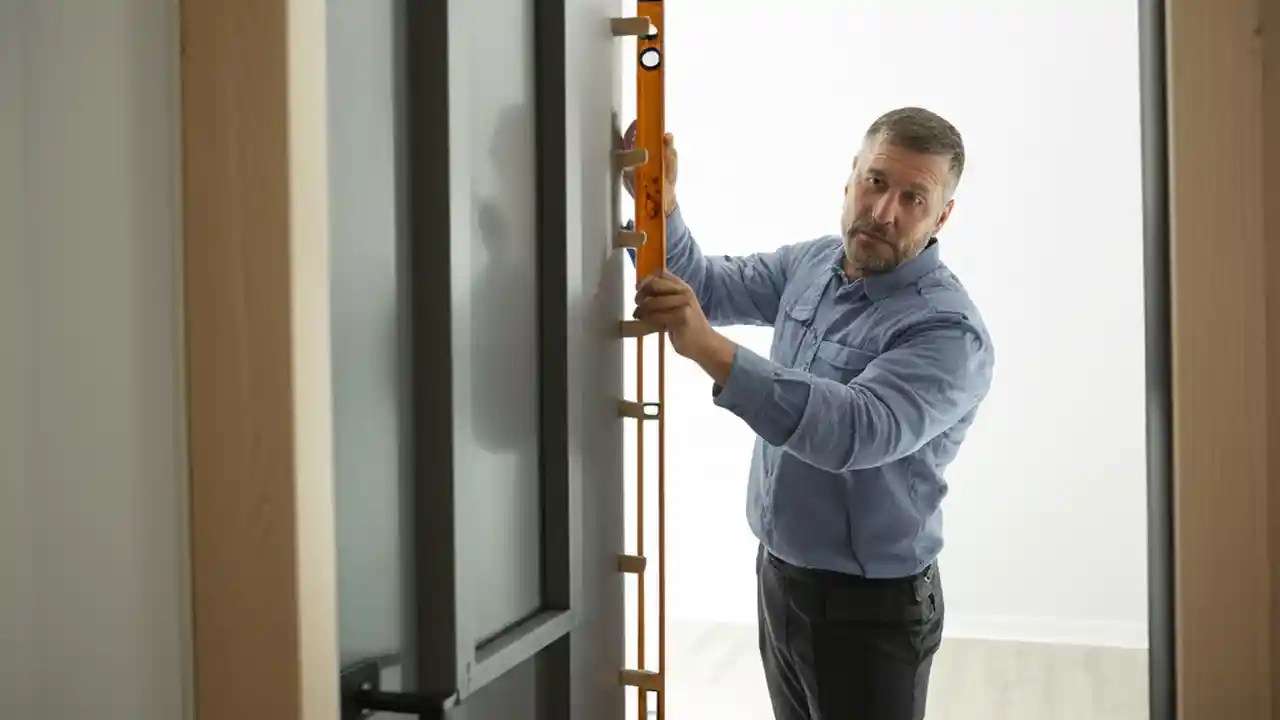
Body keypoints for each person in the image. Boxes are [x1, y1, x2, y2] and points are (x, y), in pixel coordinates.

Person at [630, 106, 995, 720]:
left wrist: (709, 349)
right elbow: (704, 289)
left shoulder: (948, 331)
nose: (884, 211)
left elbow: (854, 430)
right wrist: (660, 208)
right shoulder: (813, 266)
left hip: (871, 611)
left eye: (914, 198)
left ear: (942, 216)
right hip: (780, 581)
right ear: (851, 177)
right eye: (876, 182)